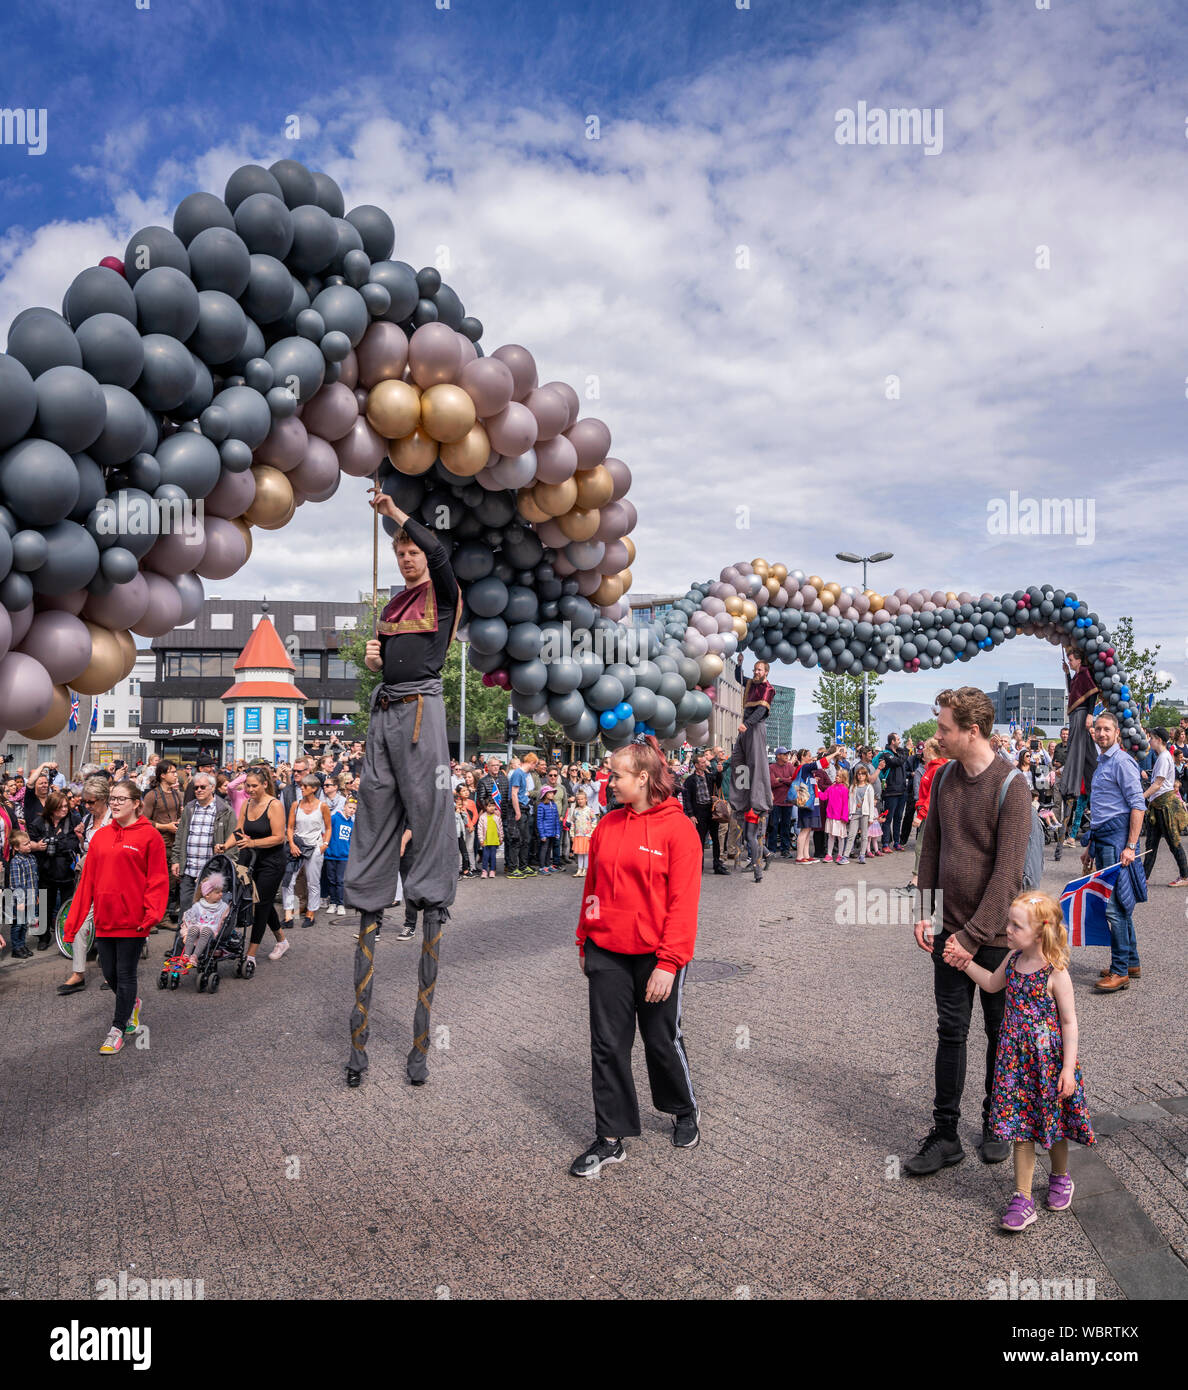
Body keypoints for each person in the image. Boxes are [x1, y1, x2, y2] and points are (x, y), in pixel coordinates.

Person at [346, 488, 461, 1089]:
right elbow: (388, 659)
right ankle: (370, 889)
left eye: (412, 549)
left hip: (422, 711)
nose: (408, 557)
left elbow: (442, 556)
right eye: (400, 550)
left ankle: (430, 892)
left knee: (432, 810)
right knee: (372, 809)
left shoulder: (442, 590)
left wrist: (395, 514)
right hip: (385, 711)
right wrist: (375, 658)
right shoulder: (394, 603)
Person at [908, 687, 1031, 1176]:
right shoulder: (943, 781)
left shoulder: (1012, 786)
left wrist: (971, 938)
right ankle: (945, 1135)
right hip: (950, 933)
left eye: (944, 729)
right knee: (950, 1033)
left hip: (997, 941)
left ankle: (996, 1122)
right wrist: (927, 912)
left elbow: (1008, 873)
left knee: (999, 1033)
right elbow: (930, 849)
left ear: (971, 731)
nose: (937, 736)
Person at [570, 734, 703, 1178]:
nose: (608, 781)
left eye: (617, 775)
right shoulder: (607, 825)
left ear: (643, 778)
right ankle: (610, 1138)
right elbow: (593, 889)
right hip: (607, 951)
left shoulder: (679, 830)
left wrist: (668, 963)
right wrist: (585, 939)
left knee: (661, 1040)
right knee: (607, 1044)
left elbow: (684, 904)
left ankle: (683, 1108)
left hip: (656, 956)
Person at [954, 892, 1095, 1230]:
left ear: (1041, 931)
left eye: (1016, 926)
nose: (1009, 930)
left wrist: (1067, 1068)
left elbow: (1069, 1022)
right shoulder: (1013, 959)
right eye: (1009, 923)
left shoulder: (1055, 972)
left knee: (1054, 1124)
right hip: (1015, 1063)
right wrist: (964, 962)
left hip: (1048, 1065)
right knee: (1020, 1128)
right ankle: (1022, 1197)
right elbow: (990, 984)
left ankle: (1061, 1177)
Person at [62, 780, 168, 1055]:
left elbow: (157, 879)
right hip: (105, 918)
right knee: (108, 973)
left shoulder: (150, 836)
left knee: (125, 973)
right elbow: (87, 883)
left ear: (136, 803)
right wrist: (73, 923)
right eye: (112, 798)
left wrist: (152, 914)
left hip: (134, 920)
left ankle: (117, 1029)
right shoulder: (101, 837)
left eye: (122, 798)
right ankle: (131, 1004)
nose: (115, 803)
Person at [1083, 711, 1146, 994]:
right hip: (1103, 839)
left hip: (1117, 842)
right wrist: (1089, 848)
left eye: (1107, 729)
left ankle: (1120, 971)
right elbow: (1101, 809)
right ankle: (1130, 961)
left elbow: (1137, 805)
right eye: (1098, 729)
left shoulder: (1122, 762)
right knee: (1119, 905)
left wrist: (1131, 846)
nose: (1102, 734)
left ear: (1117, 732)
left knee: (1114, 908)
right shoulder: (1104, 761)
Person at [217, 767, 289, 973]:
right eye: (247, 785)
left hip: (272, 862)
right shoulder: (247, 803)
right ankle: (282, 940)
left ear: (265, 784)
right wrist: (225, 845)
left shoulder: (274, 805)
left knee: (260, 905)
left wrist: (253, 843)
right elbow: (239, 831)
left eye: (254, 786)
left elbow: (278, 837)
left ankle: (250, 955)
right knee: (260, 901)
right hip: (251, 860)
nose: (249, 789)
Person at [172, 773, 235, 918]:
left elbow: (232, 843)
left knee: (209, 915)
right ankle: (183, 940)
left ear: (212, 788)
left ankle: (205, 941)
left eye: (202, 787)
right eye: (196, 788)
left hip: (212, 872)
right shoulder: (189, 808)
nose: (198, 790)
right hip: (189, 870)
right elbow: (180, 836)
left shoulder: (225, 811)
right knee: (186, 913)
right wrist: (176, 860)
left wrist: (224, 869)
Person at [28, 790, 80, 952]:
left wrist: (56, 842)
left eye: (66, 806)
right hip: (46, 872)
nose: (65, 809)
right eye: (61, 807)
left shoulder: (73, 820)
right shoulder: (38, 822)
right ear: (51, 808)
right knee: (44, 906)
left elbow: (73, 844)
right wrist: (36, 846)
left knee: (67, 908)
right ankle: (43, 937)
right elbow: (30, 841)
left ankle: (67, 937)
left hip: (66, 872)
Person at [1059, 649, 1098, 841]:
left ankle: (1073, 781)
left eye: (1071, 660)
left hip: (1082, 714)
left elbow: (1092, 693)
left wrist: (1090, 714)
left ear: (1079, 660)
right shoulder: (1076, 675)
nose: (1070, 661)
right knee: (1084, 750)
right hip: (1076, 714)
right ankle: (1090, 779)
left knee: (1078, 748)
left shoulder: (1085, 674)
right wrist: (1067, 673)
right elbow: (1072, 692)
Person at [1141, 727, 1188, 886]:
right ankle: (1143, 877)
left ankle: (1185, 876)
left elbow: (1158, 784)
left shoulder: (1163, 758)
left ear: (1159, 740)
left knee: (1173, 842)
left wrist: (1142, 797)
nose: (1150, 741)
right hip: (1158, 806)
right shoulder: (1163, 756)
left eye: (1152, 738)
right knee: (1151, 843)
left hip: (1164, 806)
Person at [283, 776, 331, 928]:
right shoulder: (296, 805)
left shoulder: (322, 806)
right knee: (289, 881)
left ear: (314, 788)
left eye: (305, 786)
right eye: (301, 786)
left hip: (315, 847)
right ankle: (288, 914)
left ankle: (311, 913)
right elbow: (289, 827)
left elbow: (329, 827)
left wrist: (325, 844)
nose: (301, 788)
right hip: (297, 846)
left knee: (313, 882)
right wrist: (291, 843)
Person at [142, 761, 184, 925]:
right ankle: (152, 917)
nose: (175, 775)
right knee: (155, 883)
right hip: (159, 844)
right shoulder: (152, 795)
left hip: (174, 845)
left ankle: (163, 915)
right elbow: (144, 820)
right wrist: (165, 826)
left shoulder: (176, 794)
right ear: (162, 775)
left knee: (170, 883)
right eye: (172, 772)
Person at [681, 750, 727, 875]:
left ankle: (717, 865)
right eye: (701, 762)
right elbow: (687, 799)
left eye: (704, 762)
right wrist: (690, 815)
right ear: (696, 765)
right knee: (699, 840)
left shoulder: (709, 776)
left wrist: (719, 772)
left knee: (716, 839)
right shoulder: (690, 780)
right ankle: (698, 866)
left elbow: (718, 783)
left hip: (711, 810)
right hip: (699, 811)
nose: (704, 764)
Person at [174, 873, 231, 970]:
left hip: (211, 930)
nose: (221, 894)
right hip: (198, 926)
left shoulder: (223, 907)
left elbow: (224, 920)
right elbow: (189, 918)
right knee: (193, 929)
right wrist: (186, 934)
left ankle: (194, 956)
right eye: (217, 892)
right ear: (207, 895)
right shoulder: (199, 905)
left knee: (206, 930)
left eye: (221, 891)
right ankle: (186, 955)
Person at [6, 830, 38, 960]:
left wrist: (36, 895)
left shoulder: (32, 858)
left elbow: (35, 878)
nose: (29, 846)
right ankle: (16, 948)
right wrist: (19, 901)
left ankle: (22, 945)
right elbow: (15, 883)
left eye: (29, 843)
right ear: (16, 847)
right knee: (17, 924)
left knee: (24, 924)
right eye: (25, 844)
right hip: (19, 900)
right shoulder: (16, 862)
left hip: (30, 897)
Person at [324, 796, 355, 913]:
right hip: (330, 854)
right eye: (350, 807)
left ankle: (340, 904)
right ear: (344, 807)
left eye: (354, 809)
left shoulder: (352, 823)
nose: (352, 810)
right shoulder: (334, 818)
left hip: (344, 856)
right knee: (331, 880)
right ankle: (332, 902)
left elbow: (351, 840)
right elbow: (326, 831)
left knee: (340, 880)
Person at [844, 765, 876, 864]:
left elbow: (871, 804)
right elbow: (850, 801)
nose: (860, 776)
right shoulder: (853, 787)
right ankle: (845, 855)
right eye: (858, 774)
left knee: (864, 836)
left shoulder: (869, 787)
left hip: (865, 814)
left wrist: (871, 818)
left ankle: (862, 855)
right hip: (855, 813)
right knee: (851, 835)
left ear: (866, 775)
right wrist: (849, 814)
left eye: (862, 774)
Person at [821, 768, 851, 863]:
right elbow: (824, 796)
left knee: (840, 837)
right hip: (830, 816)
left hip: (839, 818)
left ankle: (840, 855)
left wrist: (844, 816)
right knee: (830, 836)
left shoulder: (844, 789)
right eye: (836, 775)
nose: (836, 777)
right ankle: (829, 855)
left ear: (843, 778)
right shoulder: (831, 787)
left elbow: (846, 804)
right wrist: (816, 789)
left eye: (838, 776)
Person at [570, 789, 596, 878]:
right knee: (580, 853)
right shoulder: (575, 810)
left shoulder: (589, 810)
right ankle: (579, 869)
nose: (580, 801)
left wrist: (591, 833)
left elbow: (594, 821)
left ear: (586, 799)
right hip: (578, 835)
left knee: (586, 853)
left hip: (587, 835)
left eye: (582, 799)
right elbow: (572, 822)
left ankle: (586, 868)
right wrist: (572, 834)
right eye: (578, 799)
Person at [536, 785, 561, 873]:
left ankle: (547, 865)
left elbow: (556, 820)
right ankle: (542, 867)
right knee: (544, 849)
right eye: (550, 793)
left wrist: (557, 832)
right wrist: (542, 834)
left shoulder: (554, 805)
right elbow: (539, 821)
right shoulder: (541, 806)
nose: (552, 794)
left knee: (549, 849)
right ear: (545, 794)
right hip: (545, 832)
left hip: (552, 831)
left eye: (552, 793)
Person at [477, 797, 503, 877]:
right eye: (489, 806)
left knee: (493, 857)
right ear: (485, 807)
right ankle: (484, 870)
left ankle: (492, 870)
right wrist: (481, 840)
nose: (491, 808)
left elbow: (500, 828)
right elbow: (480, 829)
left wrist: (501, 838)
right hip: (486, 841)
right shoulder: (482, 817)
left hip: (494, 840)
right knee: (485, 856)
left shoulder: (497, 817)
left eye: (492, 805)